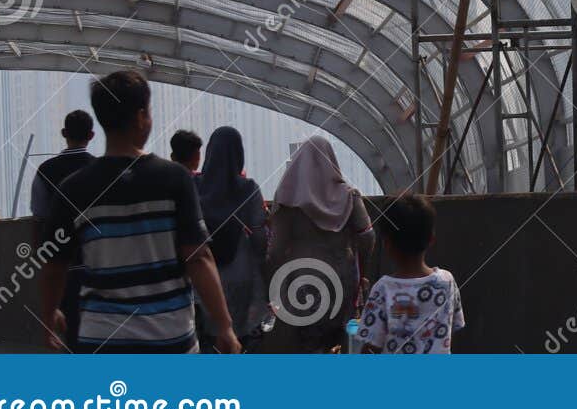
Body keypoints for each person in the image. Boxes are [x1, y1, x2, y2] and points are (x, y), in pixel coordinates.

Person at [39, 70, 240, 353]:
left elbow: (54, 266)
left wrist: (49, 317)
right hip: (169, 340)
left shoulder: (75, 188)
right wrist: (224, 325)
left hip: (102, 342)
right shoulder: (173, 179)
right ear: (140, 116)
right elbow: (198, 258)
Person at [262, 136, 374, 352]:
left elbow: (275, 252)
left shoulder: (287, 200)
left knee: (309, 344)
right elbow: (367, 235)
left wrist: (271, 287)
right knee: (344, 342)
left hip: (303, 282)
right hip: (343, 279)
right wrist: (363, 272)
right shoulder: (349, 196)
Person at [357, 194, 465, 354]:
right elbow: (454, 327)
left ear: (387, 244)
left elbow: (371, 347)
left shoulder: (383, 289)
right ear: (431, 239)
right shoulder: (447, 282)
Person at [195, 126, 269, 348]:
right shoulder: (248, 188)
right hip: (241, 273)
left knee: (207, 341)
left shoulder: (194, 186)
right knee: (241, 341)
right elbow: (259, 237)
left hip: (203, 277)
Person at [28, 109, 96, 349]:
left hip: (63, 268)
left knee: (72, 336)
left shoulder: (46, 171)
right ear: (92, 135)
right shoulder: (102, 170)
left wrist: (41, 261)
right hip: (100, 267)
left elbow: (39, 220)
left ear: (64, 133)